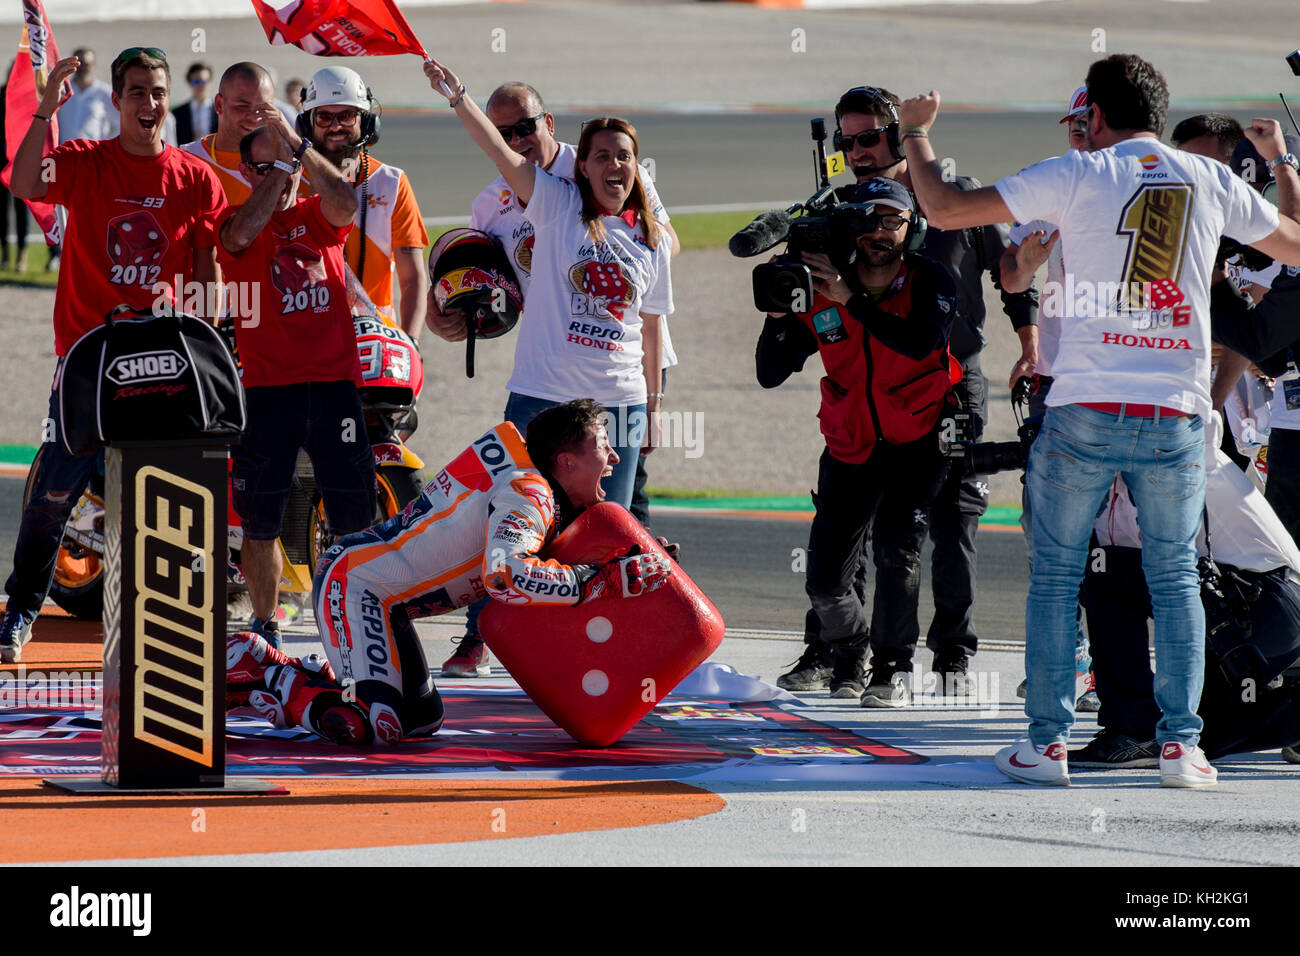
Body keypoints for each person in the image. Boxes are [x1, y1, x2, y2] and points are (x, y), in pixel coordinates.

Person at [896, 53, 1300, 787]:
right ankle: (1182, 746)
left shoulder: (1076, 172)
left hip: (1084, 406)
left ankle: (1046, 745)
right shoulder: (1207, 178)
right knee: (1175, 577)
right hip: (1176, 408)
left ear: (1098, 116)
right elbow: (1297, 246)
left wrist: (917, 134)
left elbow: (947, 208)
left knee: (1056, 577)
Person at [776, 85, 1038, 703]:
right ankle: (839, 654)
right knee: (853, 515)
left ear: (900, 133)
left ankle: (953, 652)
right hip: (868, 380)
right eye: (848, 141)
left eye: (870, 137)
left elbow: (1010, 279)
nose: (859, 150)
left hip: (953, 373)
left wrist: (1030, 348)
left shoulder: (958, 196)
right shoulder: (843, 212)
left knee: (951, 520)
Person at [422, 66, 673, 678]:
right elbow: (480, 284)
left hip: (618, 395)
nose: (515, 138)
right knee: (510, 513)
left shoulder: (647, 227)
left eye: (525, 127)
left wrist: (656, 406)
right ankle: (482, 635)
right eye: (605, 158)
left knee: (609, 531)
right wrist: (454, 314)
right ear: (583, 167)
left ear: (550, 126)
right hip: (542, 388)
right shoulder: (547, 202)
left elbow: (653, 319)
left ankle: (608, 650)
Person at [0, 48, 224, 662]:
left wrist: (217, 339)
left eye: (157, 91)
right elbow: (23, 183)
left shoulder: (194, 178)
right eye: (136, 92)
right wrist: (46, 112)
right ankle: (21, 609)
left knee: (165, 501)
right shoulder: (84, 162)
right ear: (118, 101)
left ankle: (163, 625)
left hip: (162, 361)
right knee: (50, 493)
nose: (148, 104)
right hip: (85, 361)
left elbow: (207, 269)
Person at [308, 399, 673, 744]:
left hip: (388, 602)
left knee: (422, 719)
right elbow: (503, 577)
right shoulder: (529, 492)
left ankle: (320, 678)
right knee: (376, 721)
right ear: (567, 462)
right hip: (355, 583)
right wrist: (597, 580)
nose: (614, 456)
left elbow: (550, 561)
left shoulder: (541, 493)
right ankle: (269, 676)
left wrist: (639, 560)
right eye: (603, 445)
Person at [757, 177, 958, 699]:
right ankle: (849, 651)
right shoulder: (821, 290)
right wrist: (780, 313)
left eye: (892, 219)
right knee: (824, 579)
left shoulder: (930, 278)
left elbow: (921, 343)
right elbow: (770, 372)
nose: (879, 231)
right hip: (851, 444)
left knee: (898, 550)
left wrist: (852, 301)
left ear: (911, 227)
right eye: (867, 219)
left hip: (918, 441)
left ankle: (892, 669)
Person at [216, 105, 374, 649]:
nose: (274, 176)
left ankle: (360, 619)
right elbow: (240, 234)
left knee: (355, 515)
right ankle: (265, 624)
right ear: (246, 175)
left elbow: (348, 200)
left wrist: (298, 150)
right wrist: (282, 169)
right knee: (262, 519)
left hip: (332, 388)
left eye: (279, 165)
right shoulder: (234, 225)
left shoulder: (318, 213)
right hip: (269, 392)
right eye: (260, 169)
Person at [1072, 412, 1300, 771]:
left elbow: (1204, 422)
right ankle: (1136, 729)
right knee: (1190, 737)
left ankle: (1134, 728)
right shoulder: (1108, 489)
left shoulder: (1185, 449)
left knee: (1186, 734)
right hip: (1224, 604)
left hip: (1267, 603)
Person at [997, 87, 1097, 712]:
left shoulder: (1143, 194)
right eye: (1073, 126)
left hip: (1122, 386)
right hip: (1056, 391)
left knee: (1133, 545)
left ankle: (1115, 669)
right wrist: (1030, 262)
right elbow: (1009, 277)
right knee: (1050, 535)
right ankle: (1063, 665)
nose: (1079, 135)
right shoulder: (1048, 193)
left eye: (1089, 124)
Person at [299, 66, 428, 337]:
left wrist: (411, 342)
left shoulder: (392, 183)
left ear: (366, 122)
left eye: (346, 116)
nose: (336, 127)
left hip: (376, 339)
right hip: (306, 340)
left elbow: (412, 277)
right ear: (306, 125)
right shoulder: (288, 181)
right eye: (324, 117)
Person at [180, 61, 277, 204]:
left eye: (263, 108)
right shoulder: (187, 160)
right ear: (219, 105)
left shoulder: (288, 164)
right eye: (243, 106)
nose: (254, 117)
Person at [56, 47, 117, 145]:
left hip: (93, 154)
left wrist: (108, 146)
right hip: (63, 153)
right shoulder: (61, 90)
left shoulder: (104, 93)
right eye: (79, 63)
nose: (82, 68)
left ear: (93, 66)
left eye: (86, 64)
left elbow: (121, 124)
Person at [172, 61, 214, 143]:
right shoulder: (178, 113)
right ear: (190, 82)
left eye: (204, 82)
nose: (200, 86)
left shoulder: (220, 112)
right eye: (196, 82)